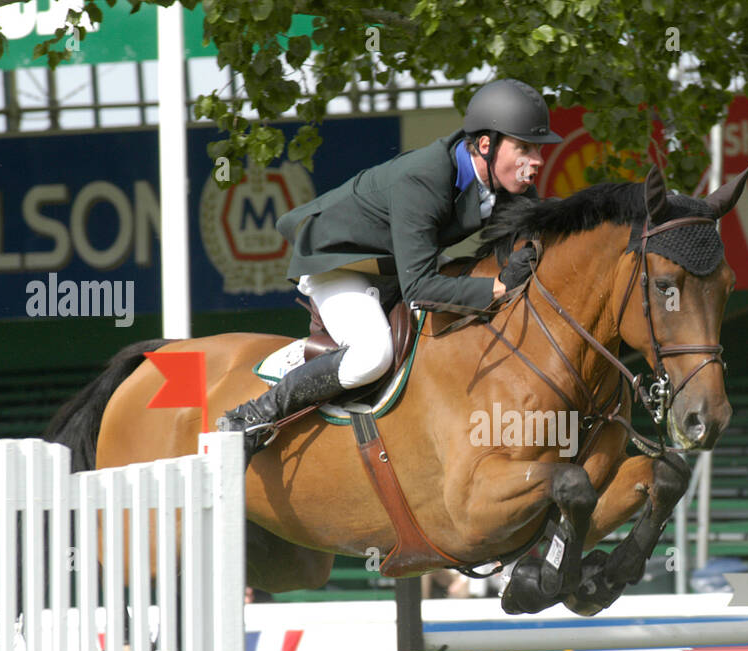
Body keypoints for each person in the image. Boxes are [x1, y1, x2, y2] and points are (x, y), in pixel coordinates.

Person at [218, 78, 562, 461]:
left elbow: (543, 224)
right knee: (373, 354)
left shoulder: (502, 180)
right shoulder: (424, 178)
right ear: (487, 145)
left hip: (392, 266)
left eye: (539, 150)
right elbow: (419, 287)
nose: (537, 161)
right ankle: (253, 417)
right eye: (525, 148)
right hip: (339, 262)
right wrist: (495, 289)